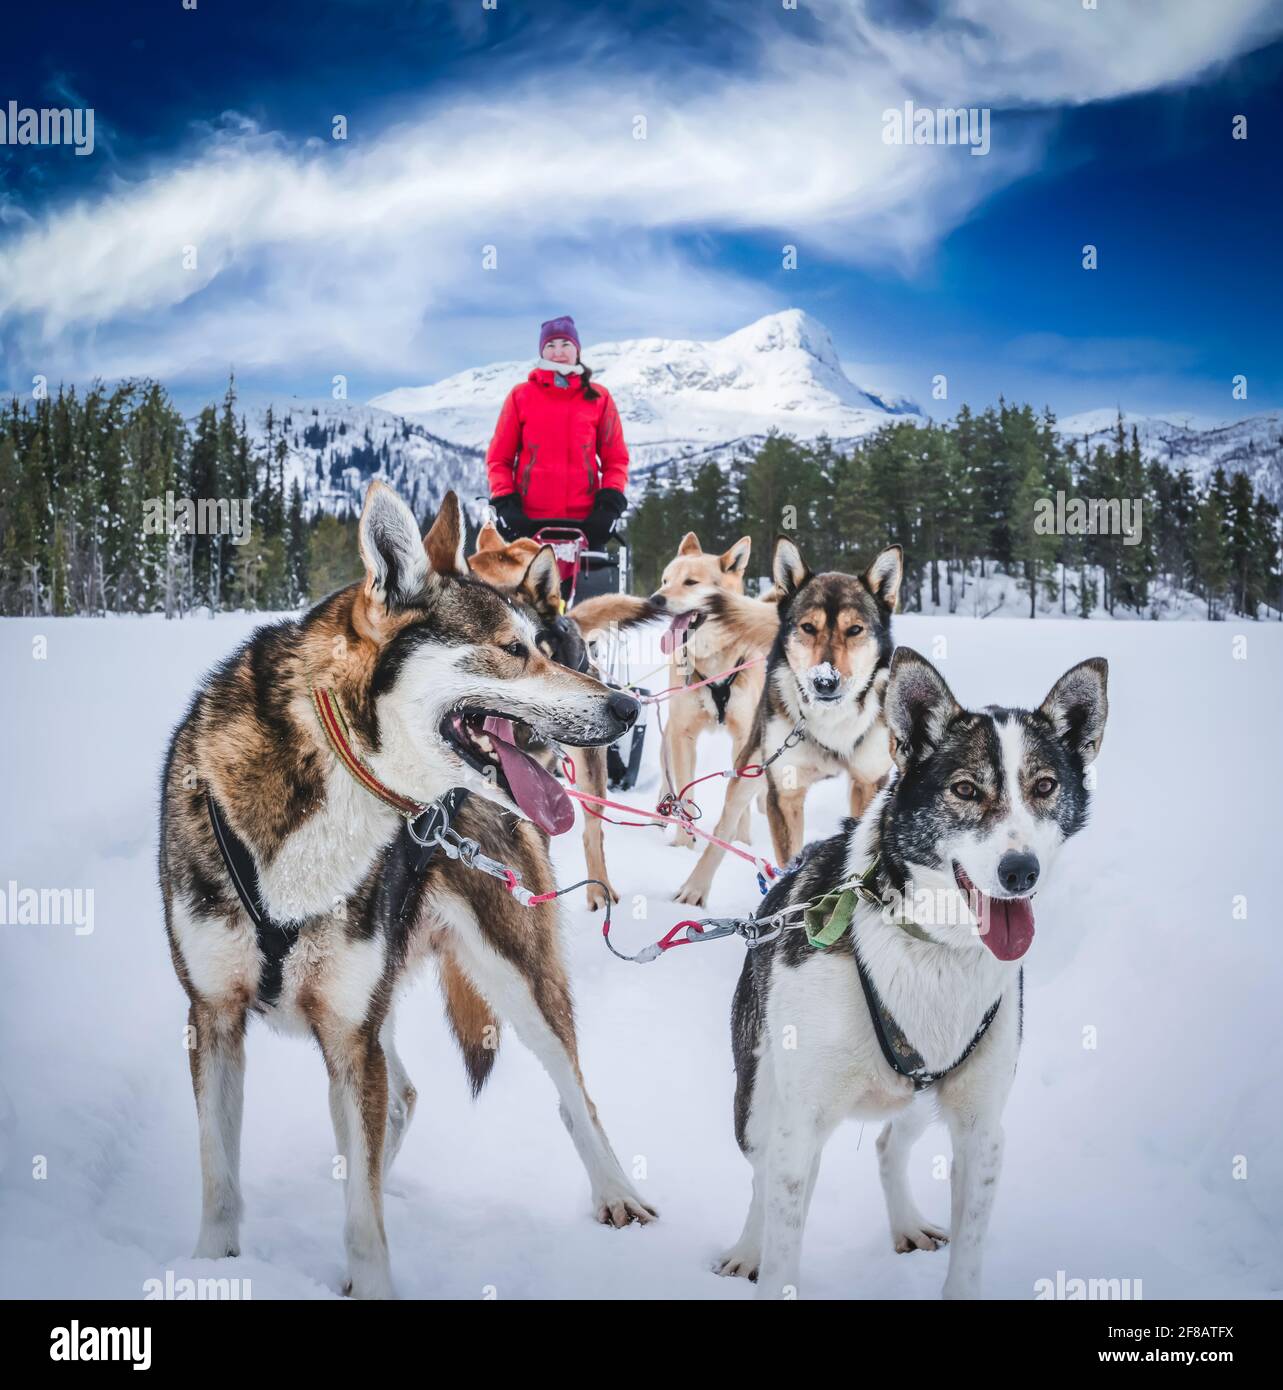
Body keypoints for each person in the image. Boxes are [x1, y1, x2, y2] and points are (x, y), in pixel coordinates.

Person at [485, 315, 630, 550]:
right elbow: (498, 458)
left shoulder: (599, 398)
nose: (558, 351)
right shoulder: (521, 396)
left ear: (577, 350)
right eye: (550, 345)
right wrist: (505, 502)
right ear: (542, 352)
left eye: (565, 344)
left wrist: (609, 505)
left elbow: (616, 459)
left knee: (589, 587)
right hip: (528, 522)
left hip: (586, 523)